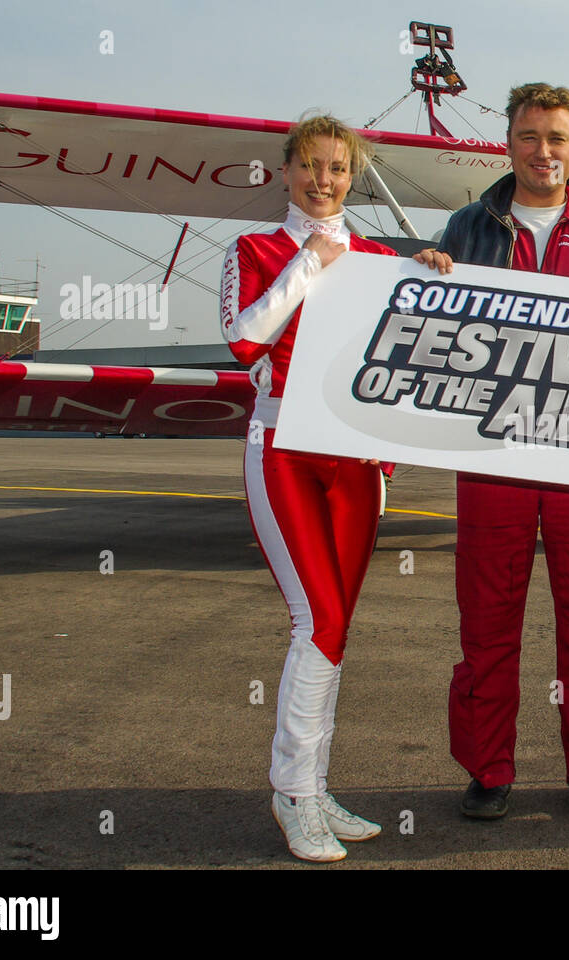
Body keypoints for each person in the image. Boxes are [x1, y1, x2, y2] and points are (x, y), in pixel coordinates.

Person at [414, 82, 569, 820]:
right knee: (485, 616)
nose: (543, 151)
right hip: (492, 453)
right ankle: (489, 769)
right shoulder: (466, 225)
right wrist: (421, 274)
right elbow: (427, 330)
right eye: (529, 136)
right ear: (507, 142)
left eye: (557, 139)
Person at [221, 114, 398, 862]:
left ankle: (313, 784)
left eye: (337, 168)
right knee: (315, 619)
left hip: (354, 462)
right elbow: (243, 340)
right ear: (286, 170)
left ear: (351, 176)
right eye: (312, 166)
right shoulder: (253, 248)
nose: (324, 181)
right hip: (283, 446)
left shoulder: (380, 255)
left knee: (334, 630)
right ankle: (292, 792)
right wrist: (310, 264)